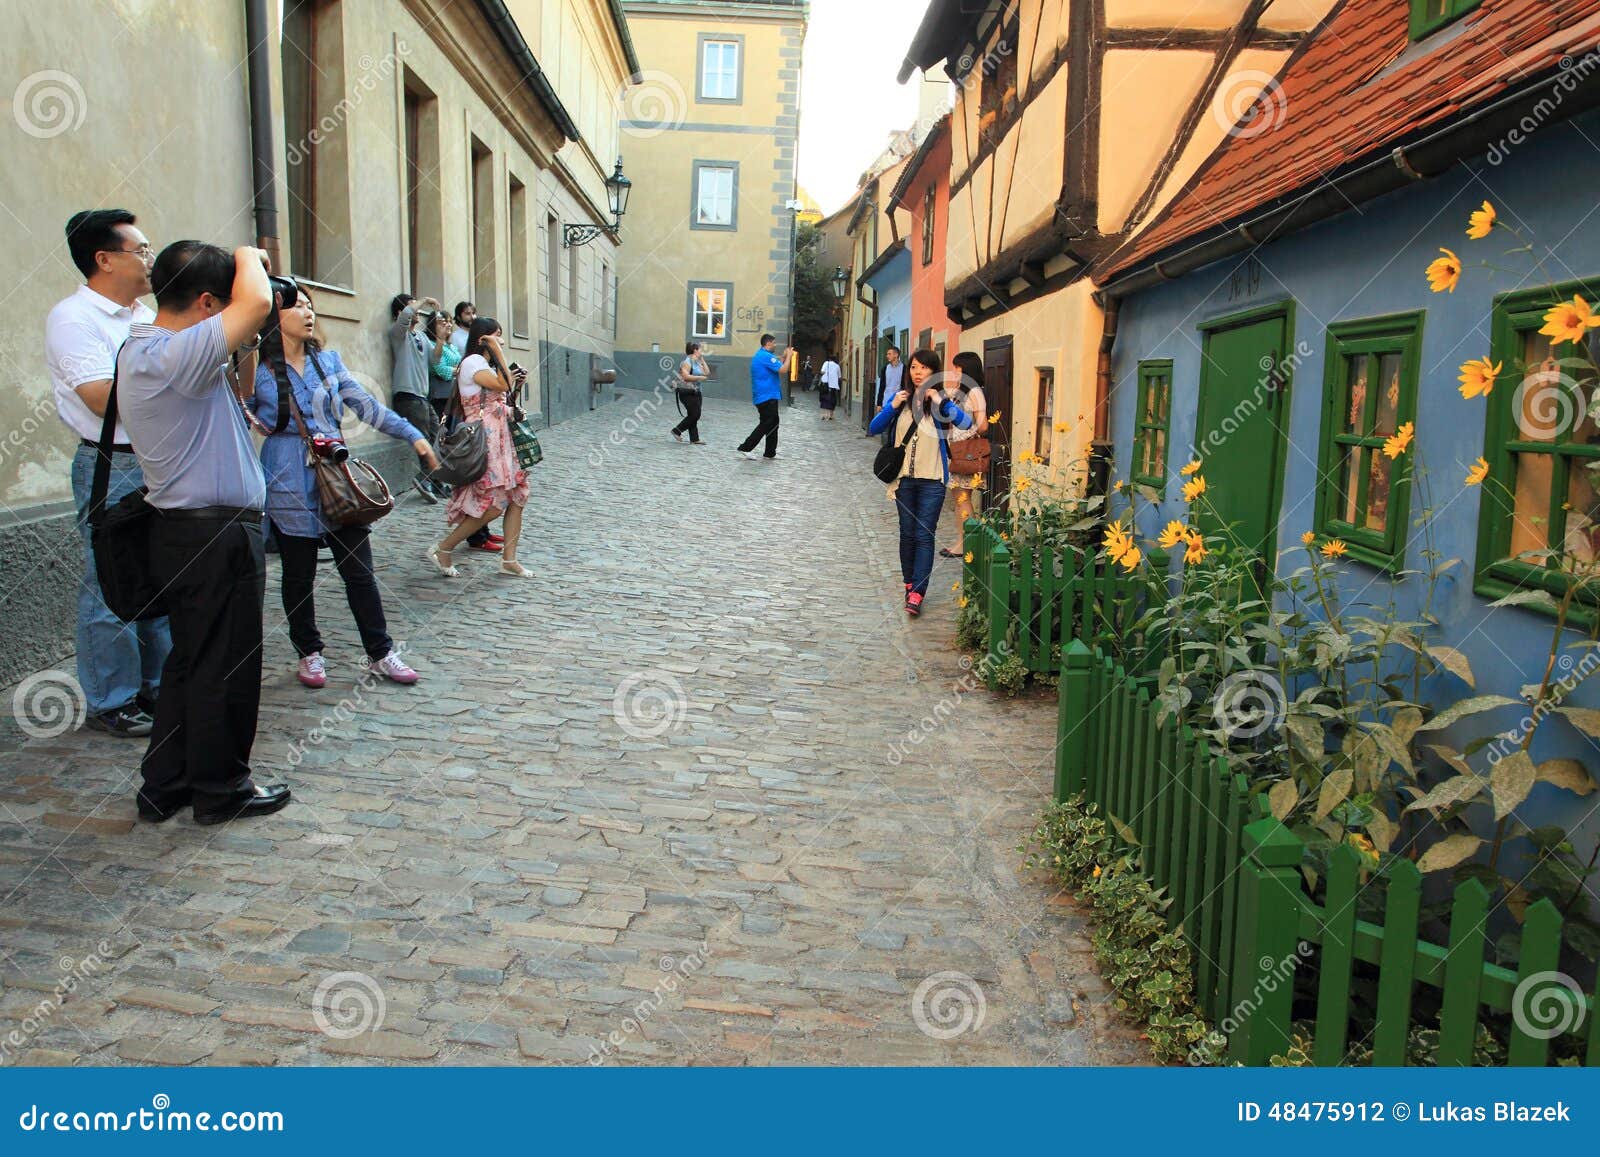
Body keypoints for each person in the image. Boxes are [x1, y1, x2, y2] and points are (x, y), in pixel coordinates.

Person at [117, 240, 290, 825]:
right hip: (214, 536)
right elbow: (259, 302)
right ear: (209, 301)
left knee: (191, 662)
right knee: (227, 666)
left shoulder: (144, 346)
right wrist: (249, 254)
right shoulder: (176, 354)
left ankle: (165, 785)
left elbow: (239, 361)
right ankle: (221, 790)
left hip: (185, 531)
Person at [251, 281, 439, 690]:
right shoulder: (256, 368)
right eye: (296, 306)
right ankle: (309, 652)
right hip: (286, 477)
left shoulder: (329, 362)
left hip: (336, 476)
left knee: (359, 571)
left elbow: (366, 407)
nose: (307, 312)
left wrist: (412, 433)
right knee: (297, 575)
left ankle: (380, 652)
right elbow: (236, 411)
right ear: (271, 316)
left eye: (309, 305)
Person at [44, 208, 172, 737]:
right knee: (110, 581)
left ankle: (159, 685)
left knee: (160, 576)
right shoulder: (74, 318)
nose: (149, 258)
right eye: (139, 250)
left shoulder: (145, 316)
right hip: (111, 464)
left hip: (158, 458)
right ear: (104, 259)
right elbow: (101, 399)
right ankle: (112, 699)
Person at [867, 349, 972, 617]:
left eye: (924, 368)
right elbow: (874, 428)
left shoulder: (942, 402)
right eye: (914, 367)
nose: (918, 372)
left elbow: (966, 422)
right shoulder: (900, 399)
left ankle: (917, 593)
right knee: (907, 534)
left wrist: (940, 401)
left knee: (924, 535)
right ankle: (909, 583)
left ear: (933, 372)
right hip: (903, 480)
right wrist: (891, 406)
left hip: (933, 481)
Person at [427, 317, 534, 579]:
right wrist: (497, 354)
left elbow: (501, 394)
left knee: (518, 495)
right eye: (497, 335)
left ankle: (509, 559)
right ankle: (443, 548)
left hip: (500, 436)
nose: (502, 340)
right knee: (493, 504)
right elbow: (500, 385)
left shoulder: (484, 363)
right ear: (482, 338)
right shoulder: (473, 362)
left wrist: (515, 388)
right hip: (483, 438)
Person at [427, 309, 498, 553]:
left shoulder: (459, 352)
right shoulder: (469, 360)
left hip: (474, 419)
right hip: (467, 421)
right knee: (474, 483)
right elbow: (442, 370)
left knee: (478, 484)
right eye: (496, 335)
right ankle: (472, 537)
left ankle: (480, 533)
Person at [388, 292, 441, 503]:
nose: (417, 312)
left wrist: (442, 339)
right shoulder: (397, 334)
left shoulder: (421, 337)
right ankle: (425, 478)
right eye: (412, 307)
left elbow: (435, 361)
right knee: (424, 438)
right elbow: (407, 315)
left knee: (437, 434)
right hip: (407, 395)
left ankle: (432, 478)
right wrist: (425, 301)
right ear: (400, 312)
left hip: (423, 396)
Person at [941, 350, 989, 559]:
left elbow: (984, 425)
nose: (954, 372)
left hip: (966, 451)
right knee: (959, 498)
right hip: (957, 452)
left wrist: (965, 434)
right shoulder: (963, 393)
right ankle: (961, 540)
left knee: (964, 498)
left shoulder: (975, 392)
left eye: (957, 368)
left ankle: (966, 543)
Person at [736, 333, 794, 460]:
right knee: (766, 423)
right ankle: (745, 447)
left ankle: (770, 453)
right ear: (768, 343)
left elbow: (778, 367)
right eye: (774, 343)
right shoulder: (766, 356)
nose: (775, 345)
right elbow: (783, 370)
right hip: (766, 396)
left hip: (767, 396)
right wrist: (789, 357)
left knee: (773, 423)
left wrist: (784, 357)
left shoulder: (763, 356)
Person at [671, 341, 708, 443]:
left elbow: (707, 373)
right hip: (687, 392)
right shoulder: (687, 362)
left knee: (693, 414)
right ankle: (676, 431)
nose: (702, 351)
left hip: (696, 392)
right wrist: (699, 377)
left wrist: (703, 361)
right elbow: (685, 376)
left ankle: (694, 439)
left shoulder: (697, 362)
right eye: (700, 349)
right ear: (695, 350)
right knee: (695, 414)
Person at [876, 346, 906, 446]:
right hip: (886, 403)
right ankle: (885, 448)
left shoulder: (904, 368)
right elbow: (882, 387)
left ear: (896, 355)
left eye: (889, 354)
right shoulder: (885, 369)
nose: (887, 356)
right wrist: (879, 403)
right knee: (885, 428)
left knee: (898, 427)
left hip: (900, 403)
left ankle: (895, 448)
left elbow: (906, 387)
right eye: (887, 354)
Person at [819, 354, 841, 420]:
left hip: (825, 384)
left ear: (829, 359)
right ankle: (831, 415)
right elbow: (839, 377)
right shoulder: (837, 366)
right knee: (832, 400)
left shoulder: (826, 363)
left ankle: (823, 415)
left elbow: (822, 372)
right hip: (833, 386)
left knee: (824, 400)